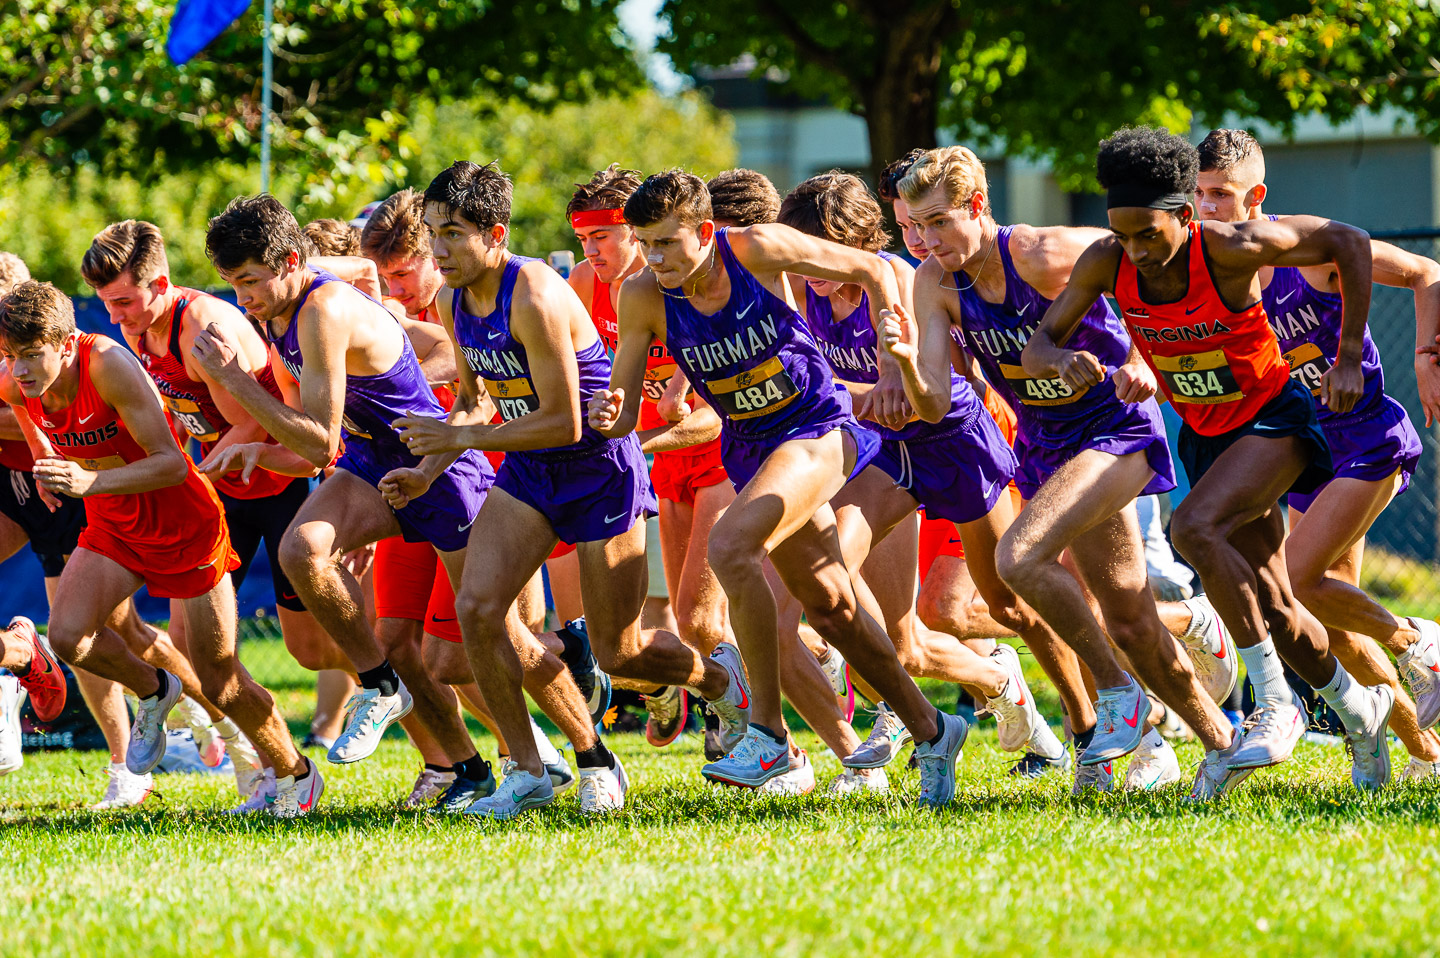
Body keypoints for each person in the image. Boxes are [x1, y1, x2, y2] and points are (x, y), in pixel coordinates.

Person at [1027, 126, 1393, 797]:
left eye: (1149, 235)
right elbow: (1038, 345)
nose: (1137, 252)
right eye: (1123, 235)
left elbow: (1351, 241)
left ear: (1186, 216)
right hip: (1208, 432)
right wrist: (1061, 359)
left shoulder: (1231, 249)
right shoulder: (1108, 262)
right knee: (1280, 611)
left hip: (1275, 416)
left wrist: (1344, 357)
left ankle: (1276, 705)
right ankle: (1361, 712)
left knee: (1192, 529)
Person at [595, 169, 966, 805]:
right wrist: (612, 413)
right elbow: (624, 405)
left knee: (730, 548)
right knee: (829, 604)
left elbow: (875, 270)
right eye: (644, 243)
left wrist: (889, 360)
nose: (653, 258)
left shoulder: (756, 249)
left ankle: (766, 732)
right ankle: (935, 729)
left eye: (665, 243)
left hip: (819, 425)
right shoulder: (643, 296)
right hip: (750, 444)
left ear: (706, 231)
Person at [395, 160, 749, 818]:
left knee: (620, 651)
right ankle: (529, 771)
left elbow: (566, 420)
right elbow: (476, 402)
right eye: (431, 233)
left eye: (452, 234)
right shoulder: (451, 299)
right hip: (530, 471)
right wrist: (430, 461)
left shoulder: (533, 291)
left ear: (495, 234)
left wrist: (463, 441)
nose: (437, 249)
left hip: (598, 468)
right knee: (478, 608)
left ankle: (722, 683)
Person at [886, 146, 1240, 793]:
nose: (926, 239)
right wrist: (906, 362)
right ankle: (1224, 743)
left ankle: (1117, 697)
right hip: (1050, 446)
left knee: (1019, 561)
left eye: (939, 221)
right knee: (1130, 617)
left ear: (978, 206)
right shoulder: (934, 282)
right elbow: (934, 400)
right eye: (916, 224)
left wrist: (1141, 353)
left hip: (1117, 429)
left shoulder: (1043, 252)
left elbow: (1153, 255)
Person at [198, 194, 502, 813]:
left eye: (250, 281)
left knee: (483, 644)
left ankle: (573, 753)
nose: (243, 298)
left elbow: (318, 438)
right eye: (232, 285)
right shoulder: (281, 303)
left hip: (435, 470)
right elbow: (317, 442)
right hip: (372, 470)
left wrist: (231, 382)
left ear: (287, 260)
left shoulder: (322, 308)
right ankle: (393, 698)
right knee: (302, 552)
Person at [0, 281, 319, 815]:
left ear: (65, 342)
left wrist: (87, 481)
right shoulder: (16, 383)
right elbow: (34, 425)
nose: (21, 370)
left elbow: (173, 462)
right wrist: (45, 462)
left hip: (182, 523)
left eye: (32, 356)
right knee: (67, 635)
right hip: (113, 524)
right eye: (11, 357)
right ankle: (154, 691)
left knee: (218, 675)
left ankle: (295, 774)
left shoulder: (106, 365)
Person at [1193, 128, 1440, 780]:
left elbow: (1426, 272)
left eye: (1221, 195)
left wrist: (1424, 357)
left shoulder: (1308, 252)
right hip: (1305, 455)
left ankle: (1423, 644)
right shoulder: (1208, 269)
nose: (1207, 208)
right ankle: (1424, 751)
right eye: (1197, 195)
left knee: (1300, 583)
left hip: (1368, 440)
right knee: (1326, 603)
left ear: (1256, 198)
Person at [776, 171, 1044, 769]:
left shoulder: (897, 278)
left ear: (854, 238)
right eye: (800, 249)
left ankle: (1143, 639)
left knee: (987, 606)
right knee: (888, 629)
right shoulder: (807, 294)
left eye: (820, 246)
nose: (810, 262)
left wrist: (843, 391)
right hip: (887, 460)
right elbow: (842, 396)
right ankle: (996, 690)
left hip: (954, 443)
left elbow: (905, 394)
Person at [359, 190, 577, 805]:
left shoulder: (497, 295)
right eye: (384, 277)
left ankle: (571, 749)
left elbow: (469, 390)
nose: (395, 288)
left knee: (495, 639)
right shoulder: (413, 309)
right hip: (420, 482)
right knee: (396, 643)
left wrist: (395, 371)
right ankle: (470, 765)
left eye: (403, 273)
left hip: (498, 481)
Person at [566, 165, 731, 748]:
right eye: (583, 239)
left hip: (719, 445)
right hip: (655, 453)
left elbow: (717, 390)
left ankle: (745, 727)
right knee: (631, 633)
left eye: (602, 236)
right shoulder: (586, 284)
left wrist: (674, 403)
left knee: (700, 616)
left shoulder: (675, 274)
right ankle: (672, 688)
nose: (591, 252)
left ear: (634, 232)